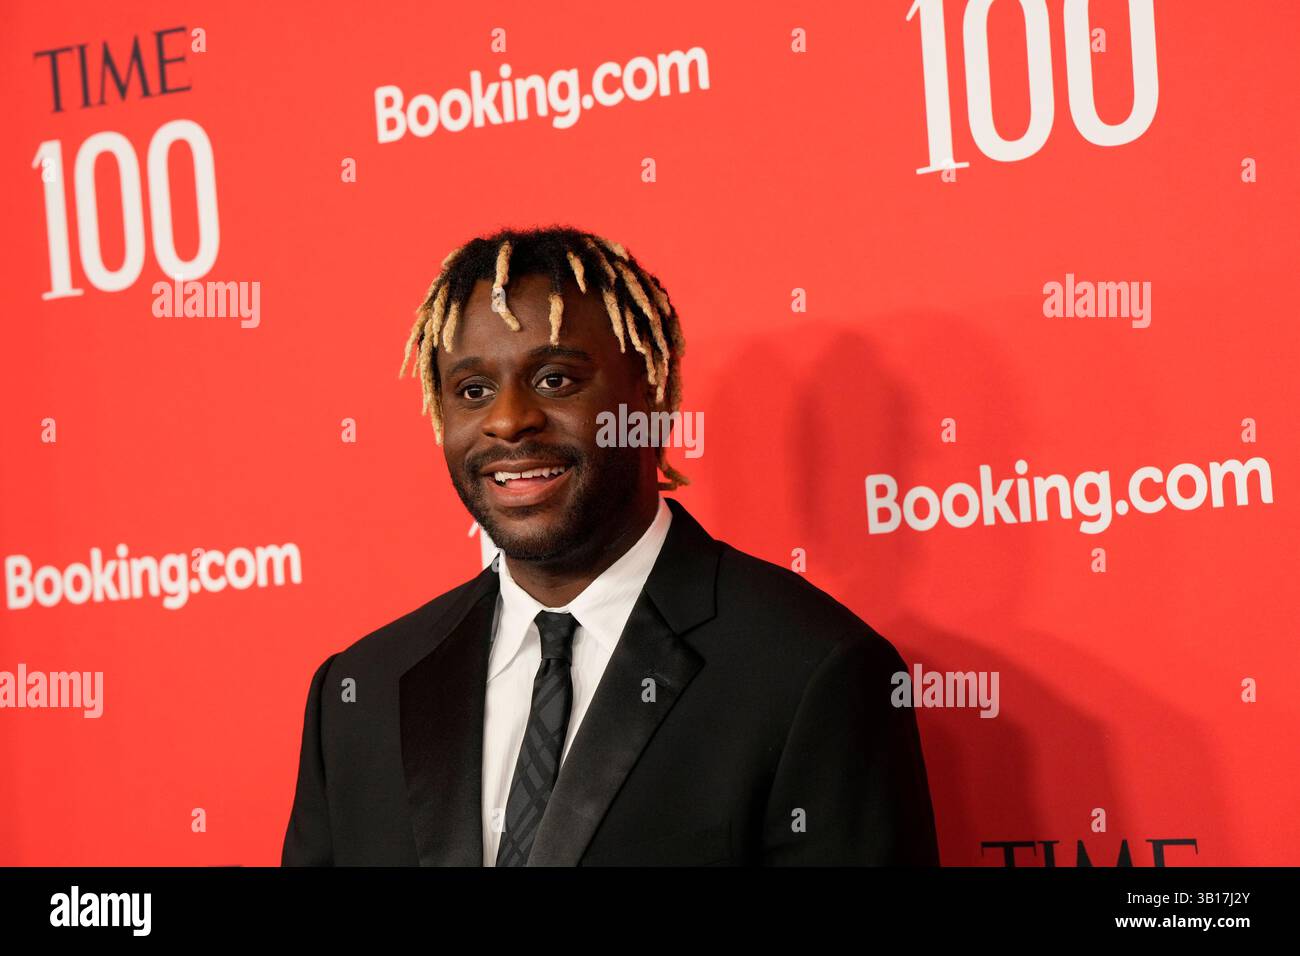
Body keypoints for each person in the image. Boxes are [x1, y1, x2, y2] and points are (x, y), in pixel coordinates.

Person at [281, 225, 940, 866]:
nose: (508, 419)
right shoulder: (360, 693)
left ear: (650, 401)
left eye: (556, 380)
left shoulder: (811, 673)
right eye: (473, 391)